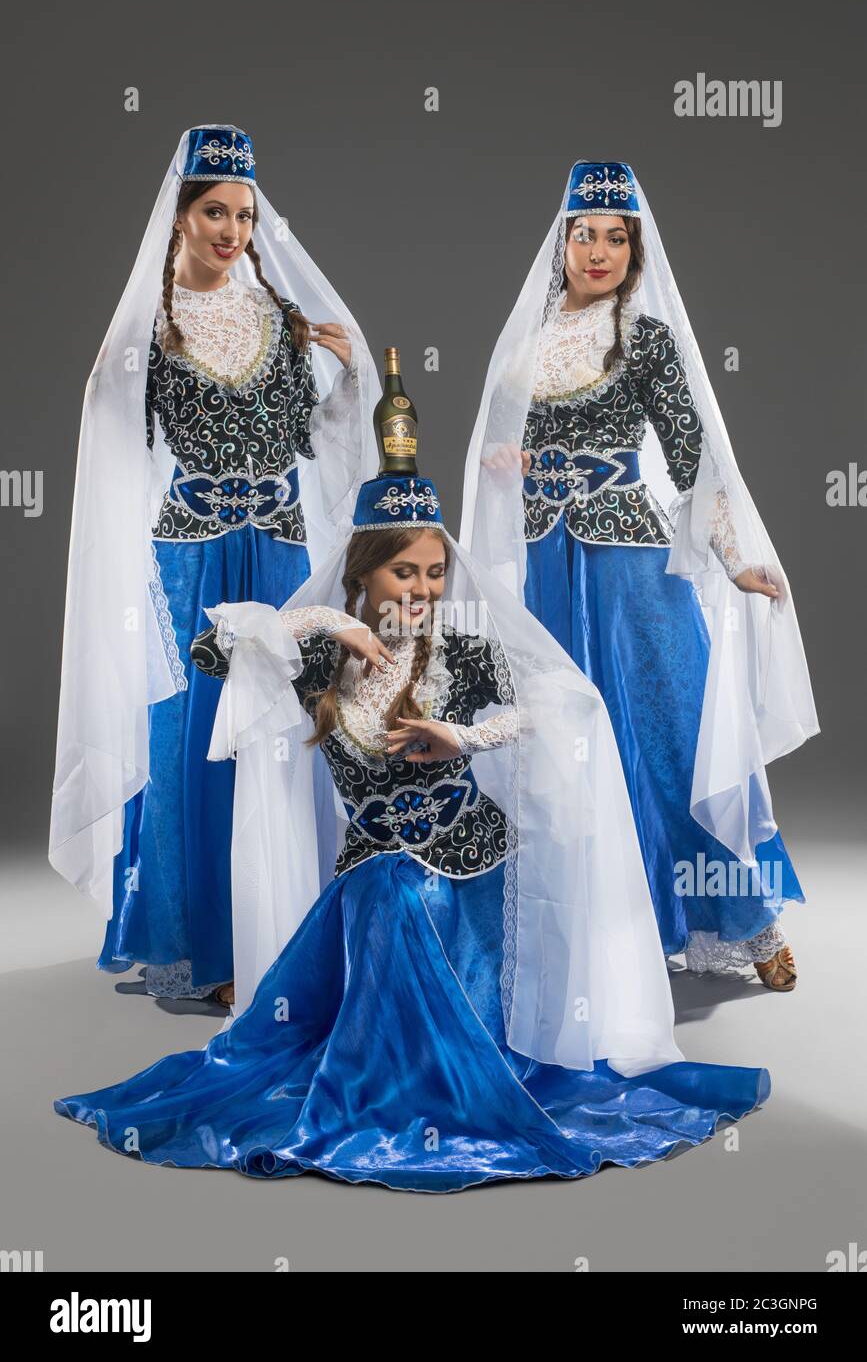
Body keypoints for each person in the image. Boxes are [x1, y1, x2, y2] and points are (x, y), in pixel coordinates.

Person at [54, 463, 770, 1192]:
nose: (424, 590)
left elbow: (566, 703)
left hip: (472, 868)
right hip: (372, 865)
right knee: (388, 898)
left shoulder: (459, 651)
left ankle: (457, 1075)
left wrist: (467, 738)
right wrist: (331, 621)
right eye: (404, 572)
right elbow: (217, 652)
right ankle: (389, 1080)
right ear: (363, 573)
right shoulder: (318, 661)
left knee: (407, 901)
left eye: (434, 572)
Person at [460, 160, 818, 989]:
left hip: (629, 562)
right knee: (568, 738)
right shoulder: (527, 344)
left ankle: (747, 920)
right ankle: (604, 926)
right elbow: (511, 454)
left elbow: (694, 460)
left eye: (614, 237)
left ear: (634, 250)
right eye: (582, 234)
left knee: (670, 733)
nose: (596, 251)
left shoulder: (645, 339)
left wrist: (736, 559)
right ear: (561, 244)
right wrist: (507, 464)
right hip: (549, 565)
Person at [48, 124, 379, 1004]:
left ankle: (284, 927)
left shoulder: (278, 319)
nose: (232, 230)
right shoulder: (150, 332)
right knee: (191, 739)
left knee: (283, 724)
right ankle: (204, 942)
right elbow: (111, 445)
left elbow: (315, 439)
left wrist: (348, 381)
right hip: (189, 559)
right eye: (214, 212)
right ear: (181, 218)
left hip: (276, 553)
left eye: (243, 214)